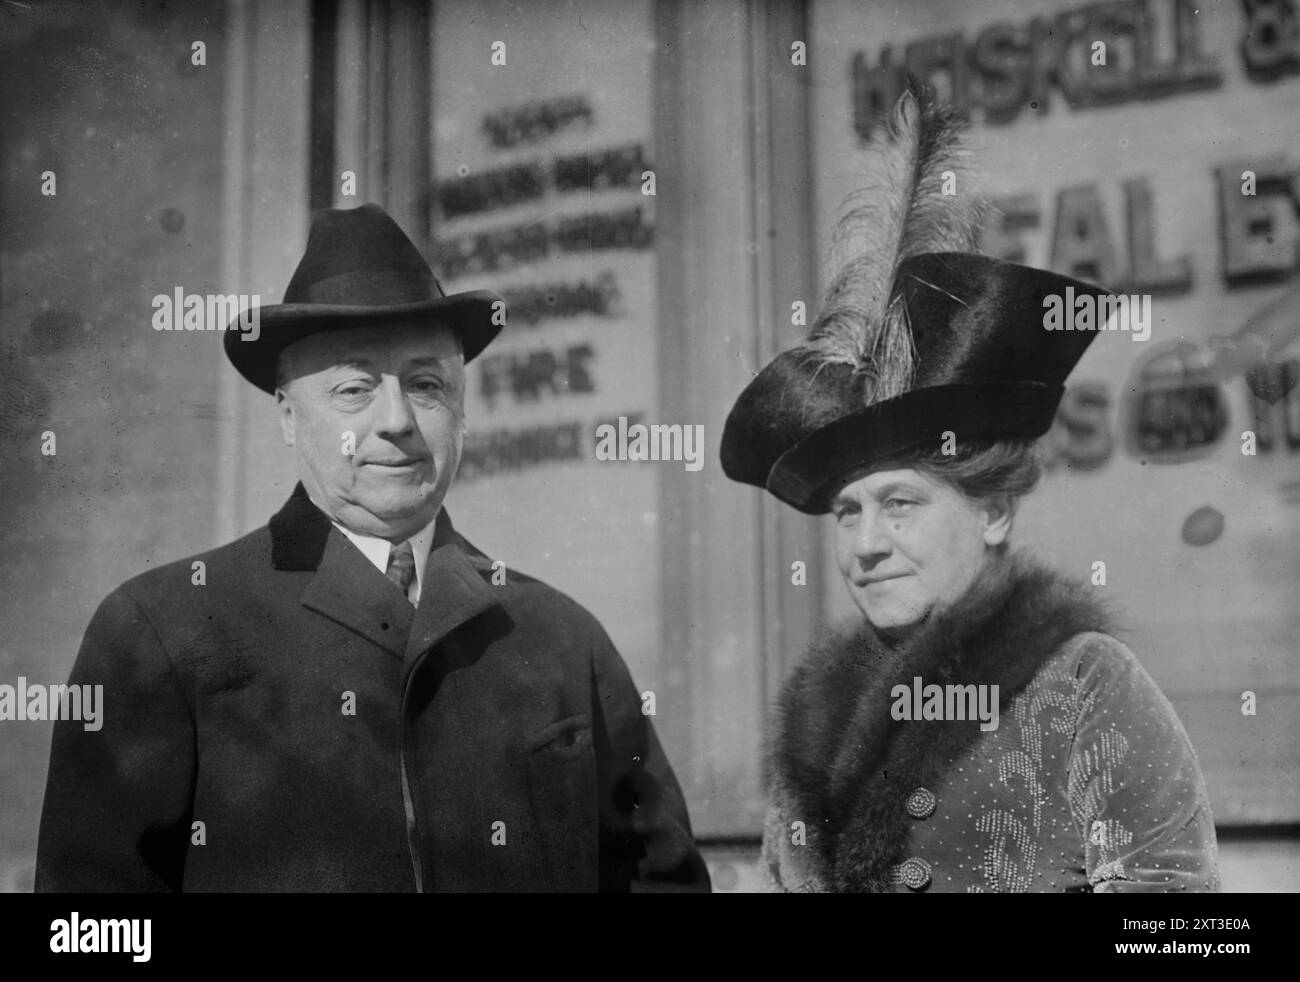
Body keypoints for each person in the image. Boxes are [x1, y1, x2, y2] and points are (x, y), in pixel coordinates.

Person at [36, 203, 709, 893]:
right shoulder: (165, 632)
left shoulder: (562, 638)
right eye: (355, 389)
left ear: (462, 412)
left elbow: (664, 881)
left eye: (425, 385)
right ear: (289, 415)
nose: (396, 422)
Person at [720, 84, 1219, 893]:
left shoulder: (1083, 687)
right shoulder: (815, 723)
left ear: (993, 510)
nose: (866, 544)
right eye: (847, 512)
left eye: (902, 504)